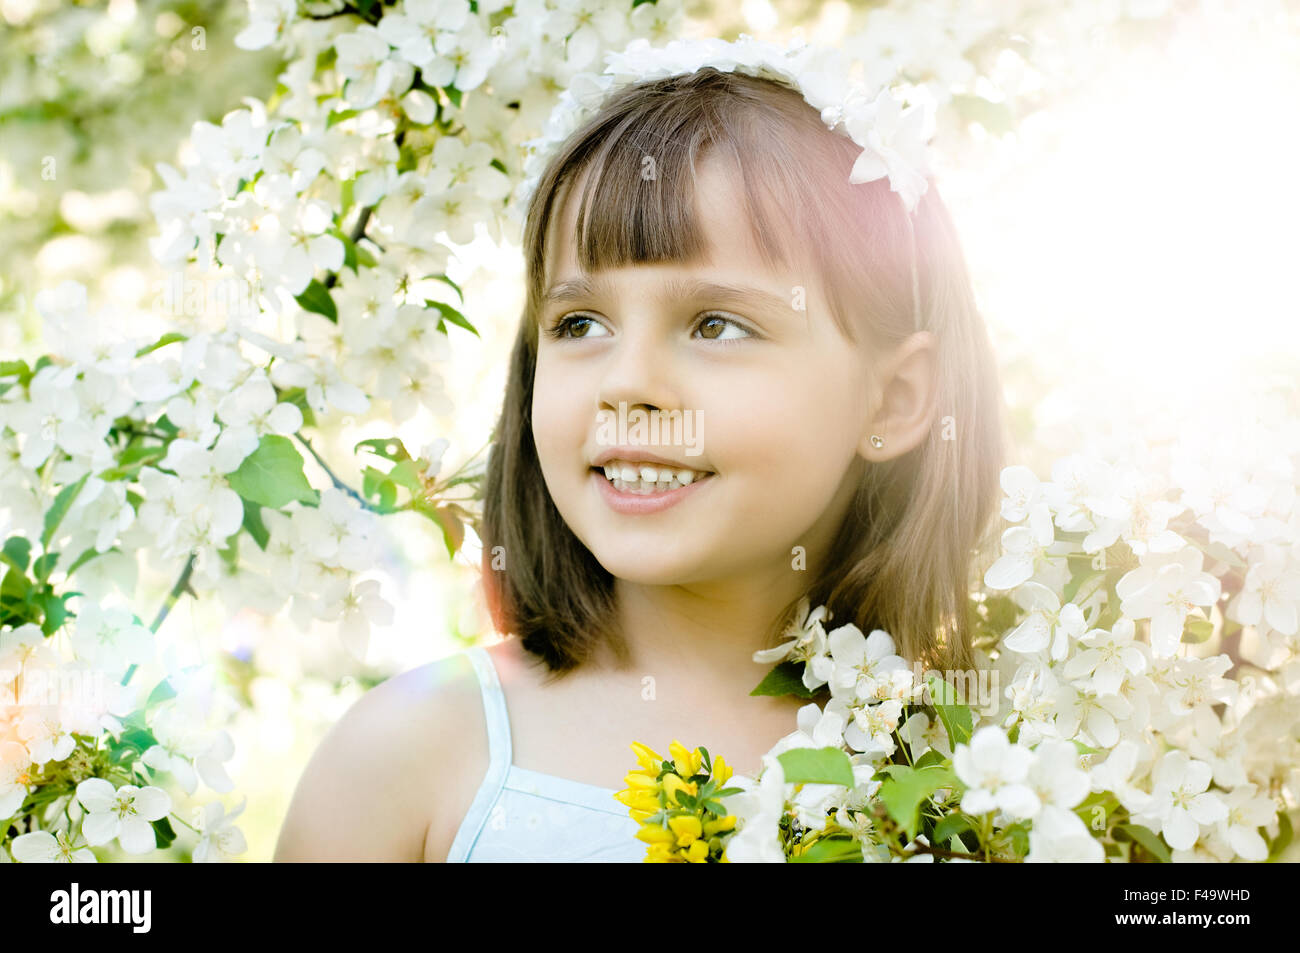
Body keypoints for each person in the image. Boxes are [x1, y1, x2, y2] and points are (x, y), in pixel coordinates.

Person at [275, 52, 1010, 863]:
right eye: (580, 324)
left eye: (717, 324)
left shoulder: (983, 775)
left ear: (897, 398)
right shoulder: (411, 757)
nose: (628, 384)